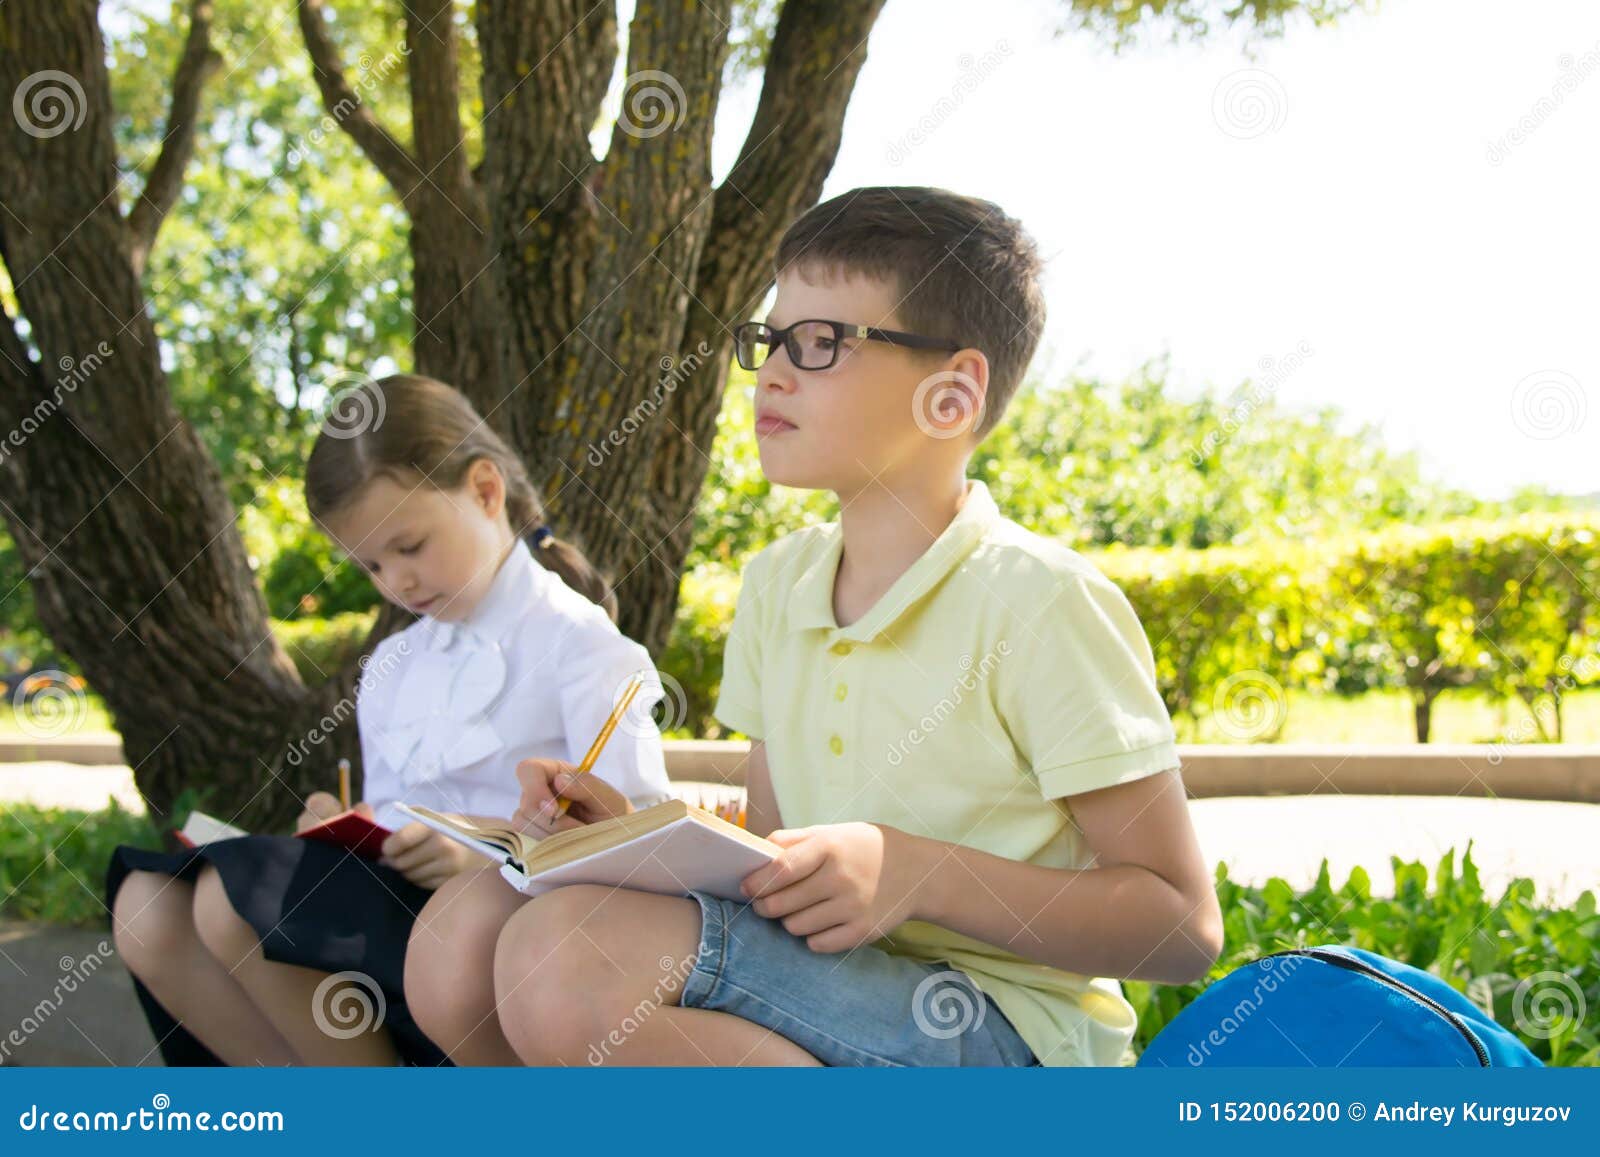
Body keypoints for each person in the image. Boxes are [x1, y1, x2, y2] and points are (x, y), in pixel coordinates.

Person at [486, 186, 1224, 1067]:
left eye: (822, 343)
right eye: (769, 340)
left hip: (1001, 1031)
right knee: (472, 927)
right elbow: (771, 854)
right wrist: (626, 838)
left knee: (567, 957)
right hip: (835, 979)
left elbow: (1179, 925)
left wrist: (920, 873)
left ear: (951, 398)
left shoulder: (1041, 601)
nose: (773, 373)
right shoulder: (777, 584)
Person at [107, 374, 671, 1065]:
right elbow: (394, 808)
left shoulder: (582, 644)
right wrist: (341, 825)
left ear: (486, 491)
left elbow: (640, 848)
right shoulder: (391, 664)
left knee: (232, 902)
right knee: (147, 907)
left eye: (410, 546)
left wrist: (483, 856)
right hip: (389, 920)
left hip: (492, 942)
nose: (396, 582)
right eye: (370, 564)